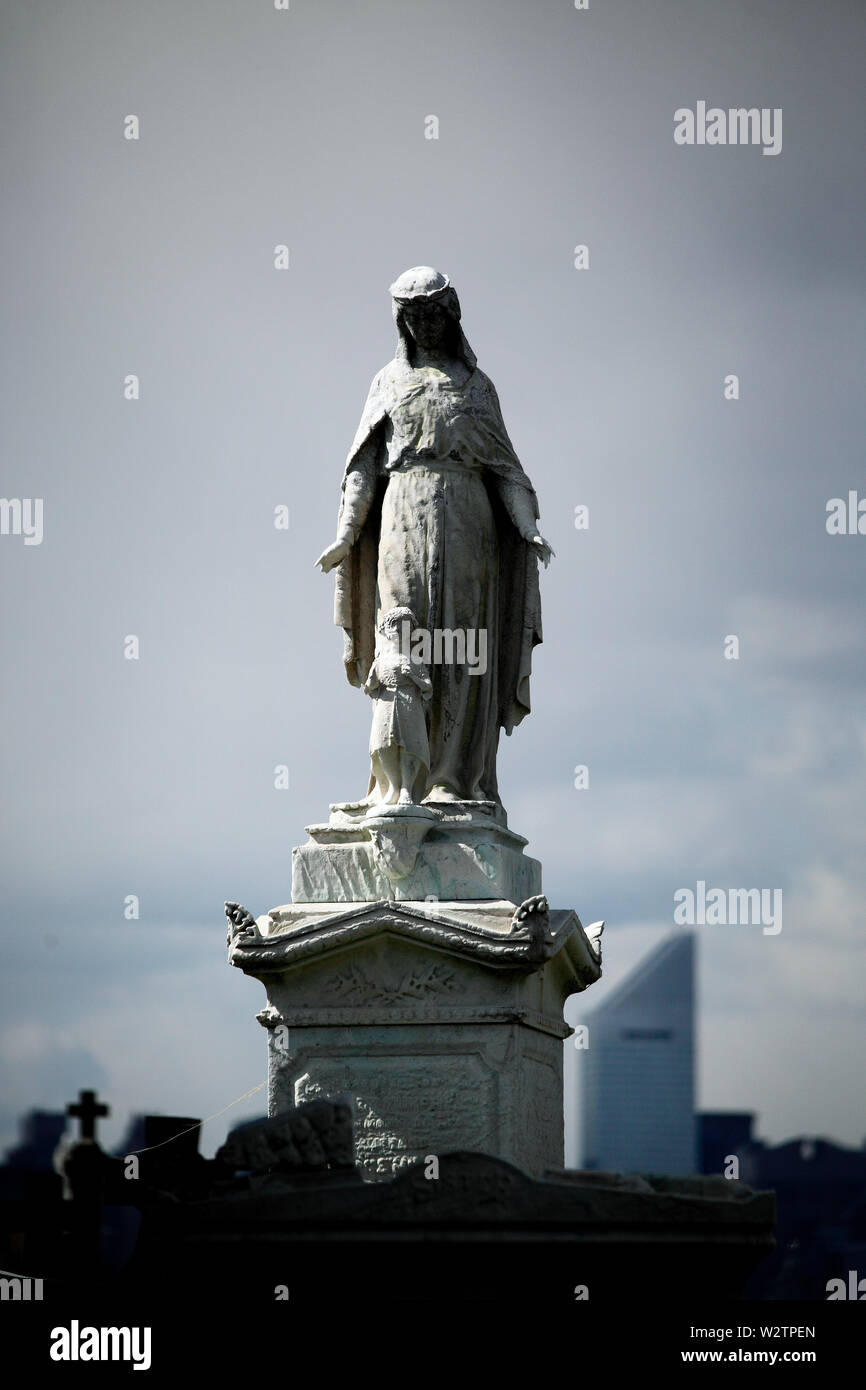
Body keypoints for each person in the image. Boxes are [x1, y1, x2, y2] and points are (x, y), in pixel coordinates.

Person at [315, 266, 553, 810]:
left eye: (432, 314)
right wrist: (347, 533)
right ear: (402, 322)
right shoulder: (388, 382)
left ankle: (453, 778)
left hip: (470, 520)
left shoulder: (476, 387)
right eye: (412, 316)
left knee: (464, 646)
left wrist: (529, 528)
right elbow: (363, 466)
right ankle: (398, 782)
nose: (423, 325)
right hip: (401, 513)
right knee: (402, 644)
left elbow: (507, 470)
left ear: (450, 316)